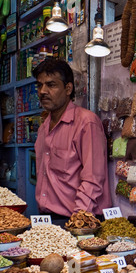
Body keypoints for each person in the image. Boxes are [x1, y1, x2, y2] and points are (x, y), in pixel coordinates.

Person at [33, 58, 111, 226]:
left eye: (51, 85)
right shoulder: (43, 128)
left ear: (68, 88)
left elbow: (93, 178)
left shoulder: (86, 123)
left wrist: (78, 221)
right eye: (39, 85)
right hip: (49, 219)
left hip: (79, 220)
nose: (43, 91)